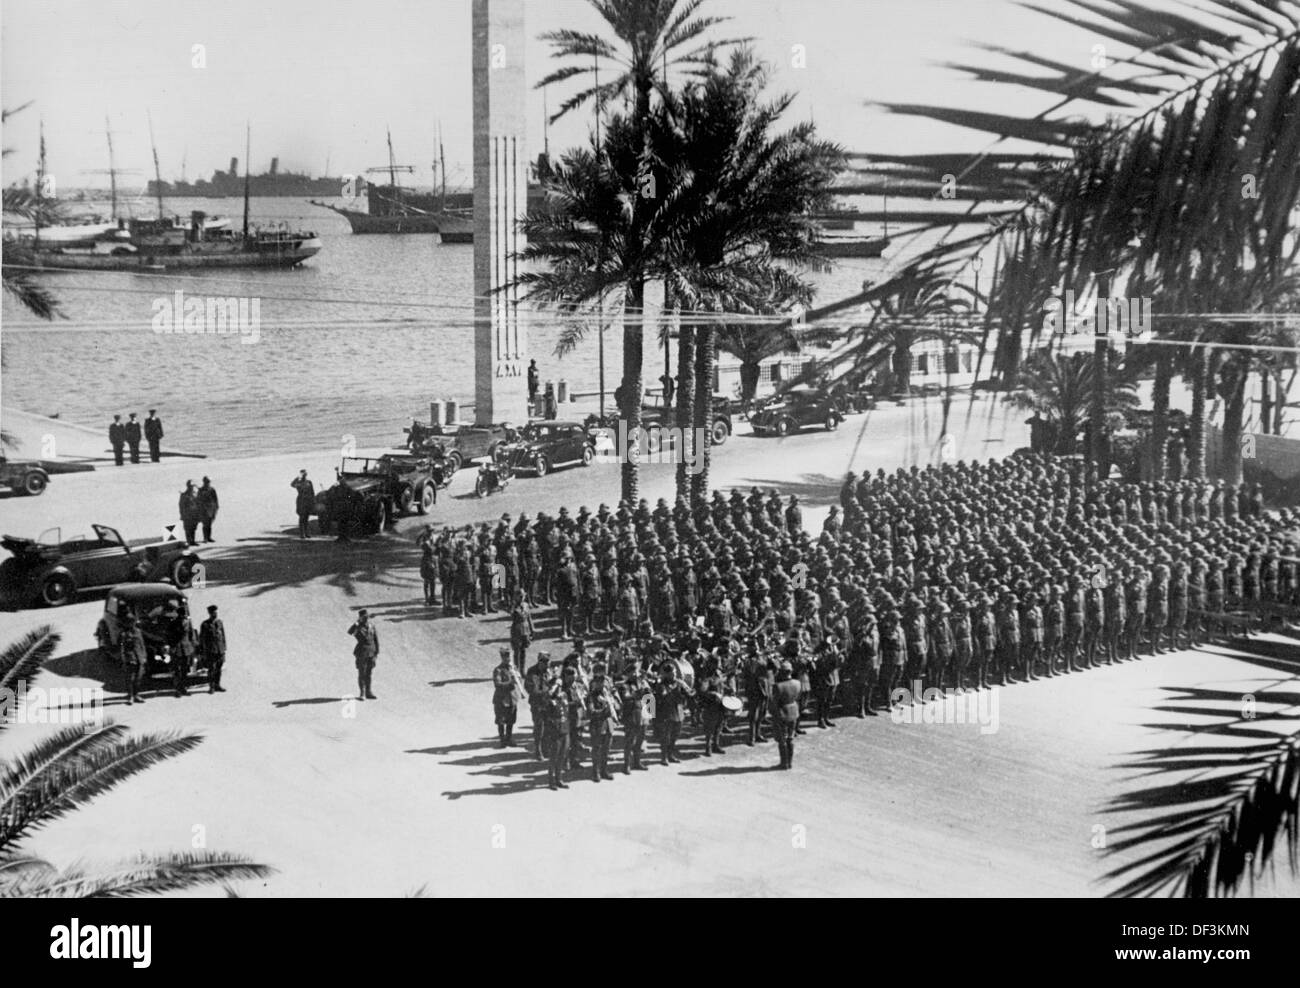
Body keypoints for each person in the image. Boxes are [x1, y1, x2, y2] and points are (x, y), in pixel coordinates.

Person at [653, 660, 690, 764]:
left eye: (674, 672)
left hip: (678, 712)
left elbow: (689, 694)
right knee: (666, 737)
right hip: (666, 713)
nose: (674, 675)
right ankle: (664, 756)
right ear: (666, 674)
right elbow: (662, 696)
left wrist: (686, 692)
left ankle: (671, 754)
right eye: (671, 673)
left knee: (675, 735)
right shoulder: (661, 684)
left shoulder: (679, 683)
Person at [618, 664, 652, 773]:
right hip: (631, 715)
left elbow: (649, 698)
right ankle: (626, 764)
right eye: (632, 672)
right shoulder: (625, 685)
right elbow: (626, 697)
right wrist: (639, 692)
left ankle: (637, 762)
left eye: (636, 671)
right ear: (628, 674)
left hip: (643, 714)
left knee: (640, 740)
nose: (635, 674)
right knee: (630, 741)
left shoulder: (642, 683)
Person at [770, 661, 801, 770]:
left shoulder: (778, 686)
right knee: (790, 737)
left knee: (782, 739)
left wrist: (772, 713)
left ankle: (784, 763)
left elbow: (774, 702)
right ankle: (790, 763)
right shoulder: (797, 683)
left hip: (782, 712)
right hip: (794, 710)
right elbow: (798, 697)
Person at [586, 671, 617, 782]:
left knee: (606, 749)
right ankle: (596, 772)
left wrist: (613, 704)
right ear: (595, 683)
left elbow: (615, 706)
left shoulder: (607, 694)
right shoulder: (591, 696)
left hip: (608, 724)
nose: (602, 685)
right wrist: (604, 711)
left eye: (603, 683)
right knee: (597, 750)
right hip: (598, 726)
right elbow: (591, 712)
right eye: (599, 683)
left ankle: (604, 770)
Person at [525, 652, 553, 760]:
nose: (547, 666)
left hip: (548, 703)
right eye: (545, 663)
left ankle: (545, 749)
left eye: (548, 663)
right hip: (537, 704)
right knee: (539, 727)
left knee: (548, 727)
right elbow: (532, 689)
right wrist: (548, 691)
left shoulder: (548, 672)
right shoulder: (532, 672)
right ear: (540, 661)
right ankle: (538, 750)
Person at [348, 609, 379, 700]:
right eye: (364, 617)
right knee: (362, 673)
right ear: (360, 617)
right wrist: (357, 623)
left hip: (371, 652)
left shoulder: (371, 626)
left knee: (369, 673)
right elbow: (350, 632)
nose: (366, 618)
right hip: (362, 652)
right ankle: (362, 693)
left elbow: (375, 639)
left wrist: (376, 651)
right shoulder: (358, 627)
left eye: (367, 616)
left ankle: (369, 692)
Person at [492, 649, 519, 747]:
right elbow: (497, 684)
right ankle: (502, 739)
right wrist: (510, 683)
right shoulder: (498, 670)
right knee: (501, 721)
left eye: (509, 657)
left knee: (511, 719)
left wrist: (517, 677)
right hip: (501, 699)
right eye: (506, 657)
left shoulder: (513, 668)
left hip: (512, 698)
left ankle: (509, 738)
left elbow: (518, 680)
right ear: (502, 658)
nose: (508, 659)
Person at [121, 610, 147, 704]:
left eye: (133, 621)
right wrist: (126, 659)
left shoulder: (138, 631)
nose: (132, 623)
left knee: (138, 678)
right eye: (129, 622)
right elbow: (123, 648)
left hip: (139, 657)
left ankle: (136, 695)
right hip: (131, 659)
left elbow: (142, 644)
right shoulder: (124, 634)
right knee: (130, 678)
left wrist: (144, 656)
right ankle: (130, 696)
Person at [199, 604, 227, 693]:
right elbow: (202, 639)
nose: (216, 614)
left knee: (219, 668)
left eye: (216, 612)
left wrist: (224, 648)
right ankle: (211, 687)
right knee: (212, 669)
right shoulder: (205, 624)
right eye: (214, 612)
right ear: (210, 613)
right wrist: (204, 651)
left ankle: (217, 685)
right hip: (211, 650)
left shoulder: (220, 622)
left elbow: (223, 636)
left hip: (220, 649)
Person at [509, 590, 535, 673]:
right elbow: (511, 615)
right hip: (517, 629)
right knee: (517, 651)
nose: (521, 598)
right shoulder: (513, 606)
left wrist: (532, 629)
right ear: (516, 597)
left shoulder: (526, 605)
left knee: (523, 650)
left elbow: (529, 618)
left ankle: (522, 670)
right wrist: (514, 606)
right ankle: (517, 671)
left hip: (525, 629)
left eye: (523, 596)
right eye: (520, 596)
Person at [291, 470, 316, 539]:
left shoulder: (309, 482)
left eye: (305, 474)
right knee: (302, 517)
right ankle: (302, 533)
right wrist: (297, 477)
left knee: (306, 517)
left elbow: (312, 492)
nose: (304, 475)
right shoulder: (299, 482)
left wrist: (313, 501)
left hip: (308, 500)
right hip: (301, 500)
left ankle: (307, 532)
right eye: (303, 474)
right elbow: (292, 485)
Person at [178, 480, 201, 546]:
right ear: (188, 486)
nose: (191, 487)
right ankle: (189, 541)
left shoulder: (195, 494)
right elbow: (181, 506)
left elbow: (199, 504)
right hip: (187, 515)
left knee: (193, 528)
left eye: (193, 486)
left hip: (194, 514)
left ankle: (192, 541)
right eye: (190, 486)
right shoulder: (184, 495)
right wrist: (182, 515)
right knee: (188, 528)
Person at [197, 476, 219, 543]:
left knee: (209, 524)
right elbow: (198, 500)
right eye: (206, 482)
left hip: (211, 509)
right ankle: (205, 538)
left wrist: (216, 507)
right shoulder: (201, 490)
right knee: (205, 524)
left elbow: (215, 499)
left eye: (209, 482)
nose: (208, 483)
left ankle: (209, 537)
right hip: (203, 510)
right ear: (204, 482)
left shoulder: (212, 489)